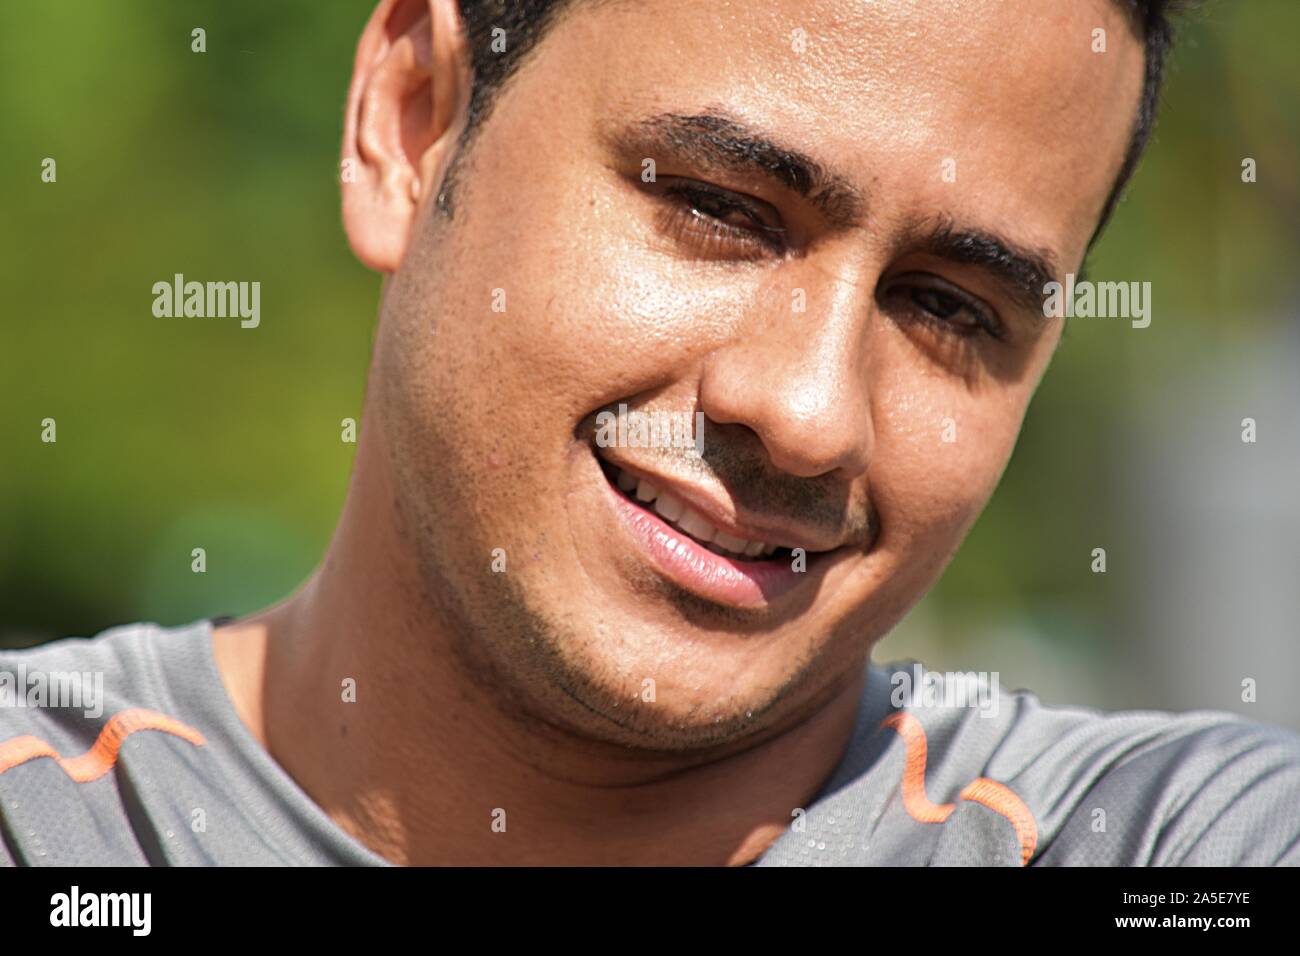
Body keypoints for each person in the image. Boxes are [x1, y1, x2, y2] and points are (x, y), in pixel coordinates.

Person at [3, 0, 1297, 866]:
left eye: (951, 305)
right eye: (723, 208)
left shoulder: (1156, 846)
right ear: (412, 118)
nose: (806, 412)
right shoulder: (52, 816)